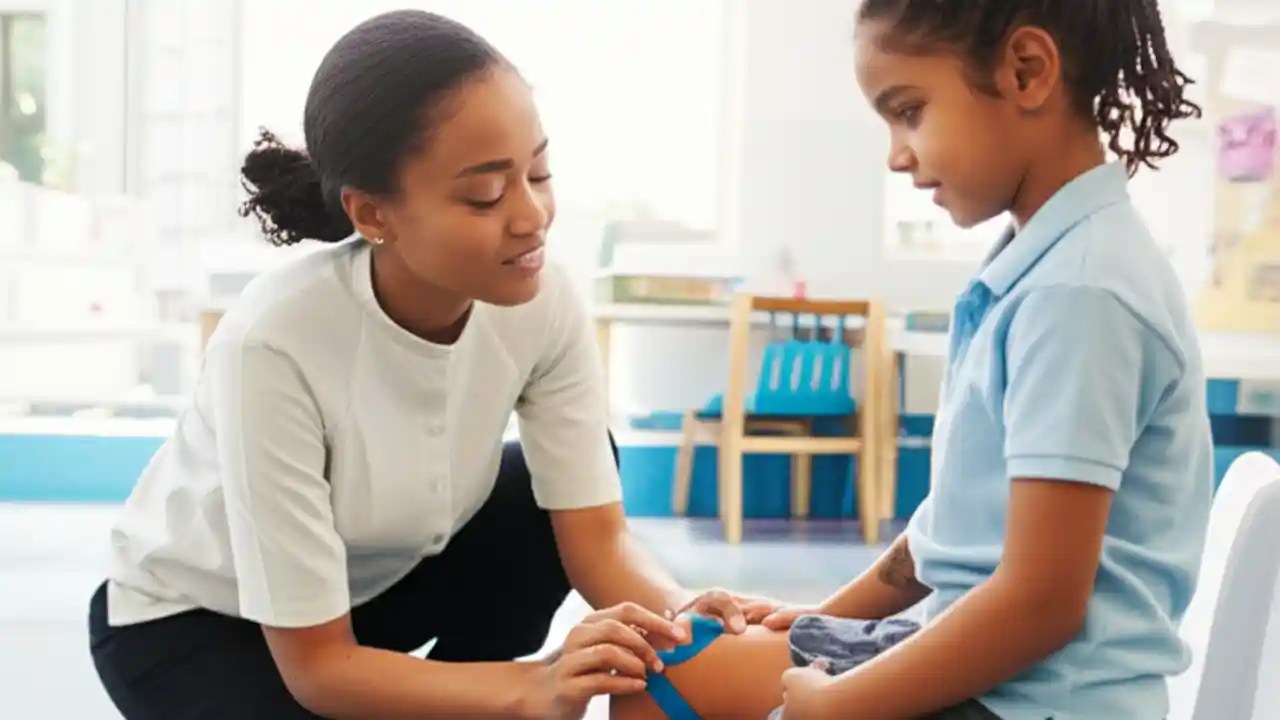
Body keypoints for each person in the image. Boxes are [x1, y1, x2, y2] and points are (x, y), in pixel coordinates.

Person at [87, 11, 759, 719]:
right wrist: (536, 686)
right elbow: (319, 668)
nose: (532, 216)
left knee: (525, 496)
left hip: (372, 591)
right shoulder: (275, 343)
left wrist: (682, 609)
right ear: (373, 214)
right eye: (487, 194)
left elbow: (598, 541)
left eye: (539, 171)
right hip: (203, 626)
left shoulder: (543, 300)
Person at [611, 1, 1212, 718]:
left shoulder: (1080, 292)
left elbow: (1042, 604)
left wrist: (839, 708)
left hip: (1039, 699)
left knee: (660, 687)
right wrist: (815, 621)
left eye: (909, 111)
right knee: (668, 663)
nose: (897, 153)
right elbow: (952, 533)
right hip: (1001, 673)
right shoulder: (1044, 266)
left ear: (1027, 72)